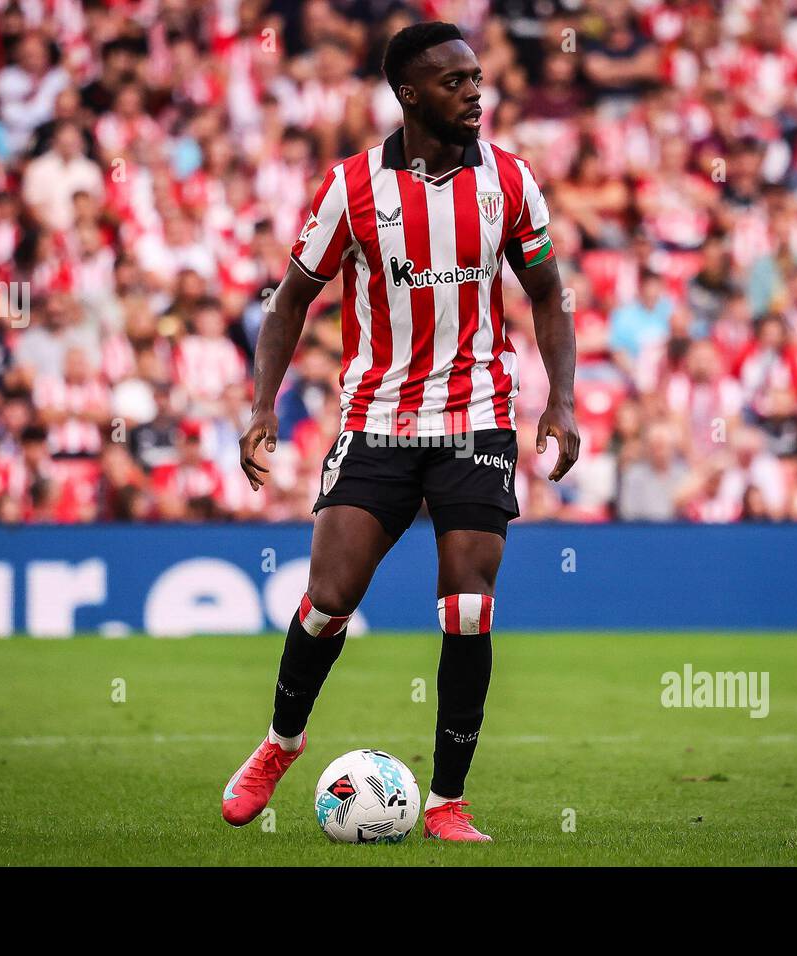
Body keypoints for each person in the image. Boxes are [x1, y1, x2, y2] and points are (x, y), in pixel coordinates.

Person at [222, 21, 579, 843]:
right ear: (410, 94)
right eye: (456, 82)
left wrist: (559, 400)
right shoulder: (351, 188)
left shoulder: (512, 181)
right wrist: (260, 405)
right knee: (329, 600)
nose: (476, 93)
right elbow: (289, 301)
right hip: (378, 418)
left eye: (478, 78)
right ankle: (282, 743)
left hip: (477, 417)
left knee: (465, 606)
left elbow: (549, 294)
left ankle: (448, 801)